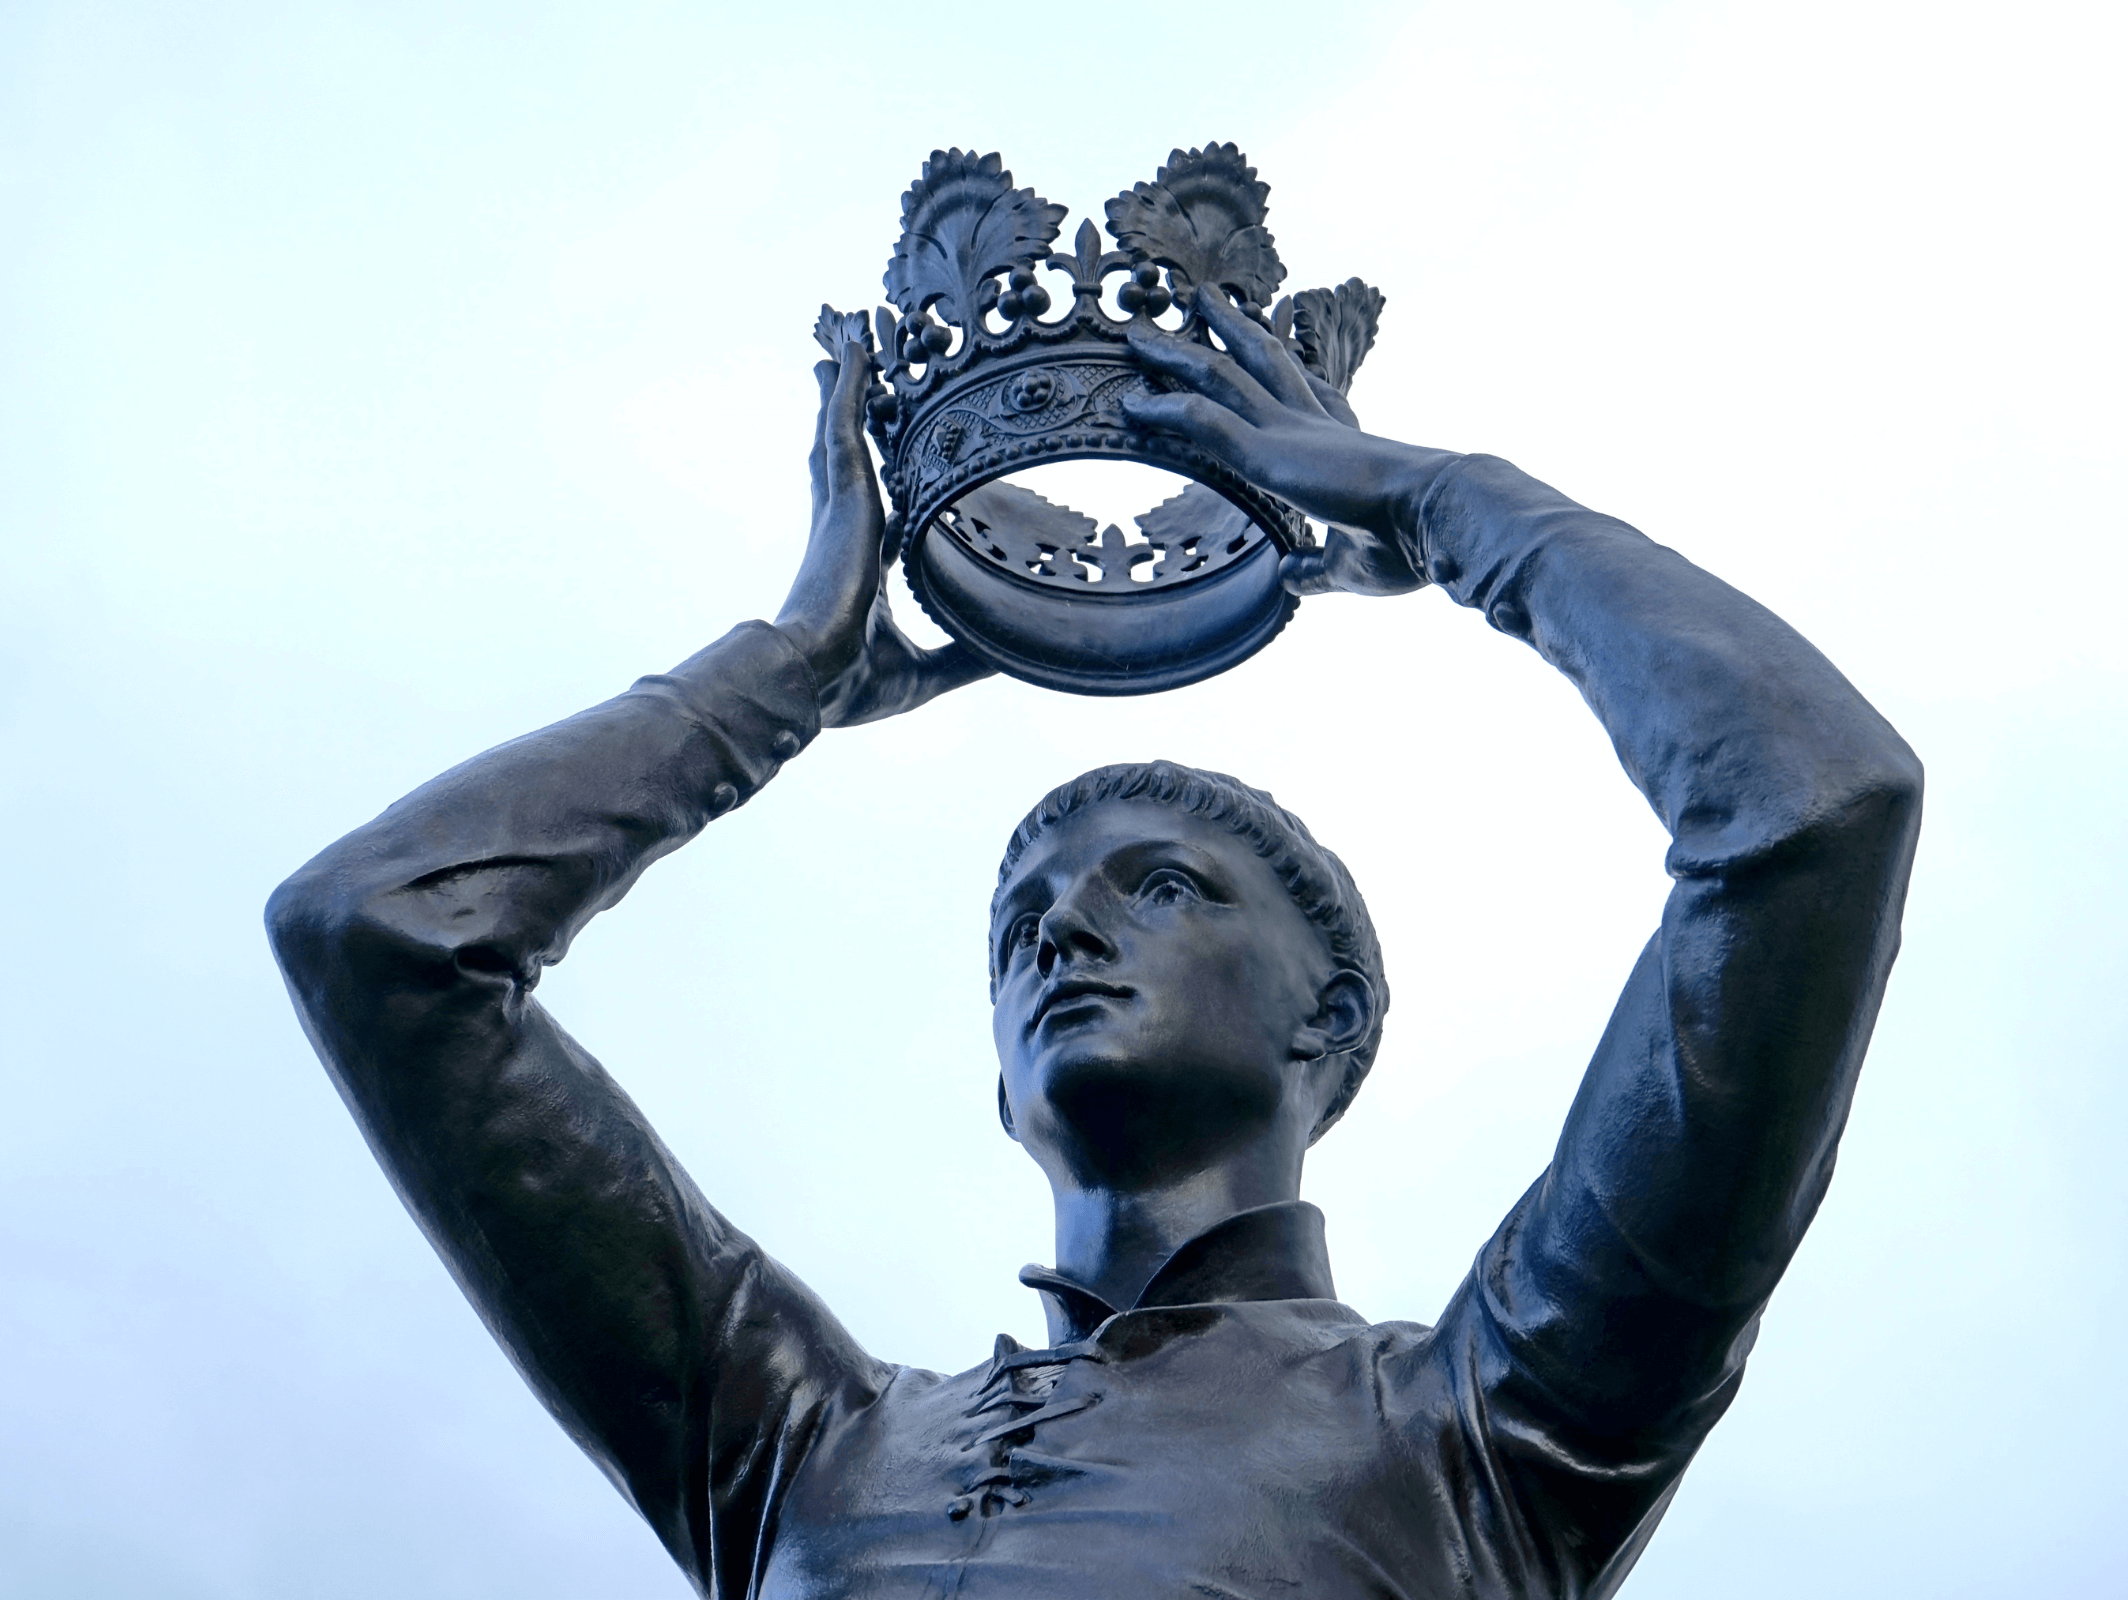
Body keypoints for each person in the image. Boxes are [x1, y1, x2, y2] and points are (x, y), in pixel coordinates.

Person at [265, 284, 1921, 1599]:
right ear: (1000, 1088)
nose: (1063, 925)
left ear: (1329, 1021)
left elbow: (1813, 808)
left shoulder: (1488, 1425)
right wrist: (777, 676)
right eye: (1021, 921)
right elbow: (381, 935)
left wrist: (1444, 507)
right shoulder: (799, 1448)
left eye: (1164, 887)